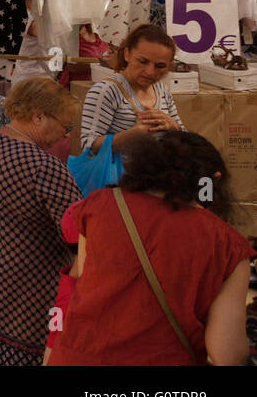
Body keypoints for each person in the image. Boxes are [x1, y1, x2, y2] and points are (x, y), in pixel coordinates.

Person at [47, 131, 256, 366]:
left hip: (74, 357)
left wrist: (51, 345)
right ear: (214, 180)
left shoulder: (99, 206)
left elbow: (79, 285)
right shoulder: (230, 245)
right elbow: (225, 353)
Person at [0, 77, 82, 366]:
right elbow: (80, 236)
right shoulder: (43, 166)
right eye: (65, 126)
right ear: (38, 115)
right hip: (20, 313)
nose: (66, 135)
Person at [78, 24, 183, 157]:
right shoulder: (106, 91)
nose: (150, 72)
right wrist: (135, 134)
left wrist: (173, 127)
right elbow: (89, 147)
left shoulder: (161, 90)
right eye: (143, 61)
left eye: (160, 66)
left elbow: (185, 139)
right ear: (127, 54)